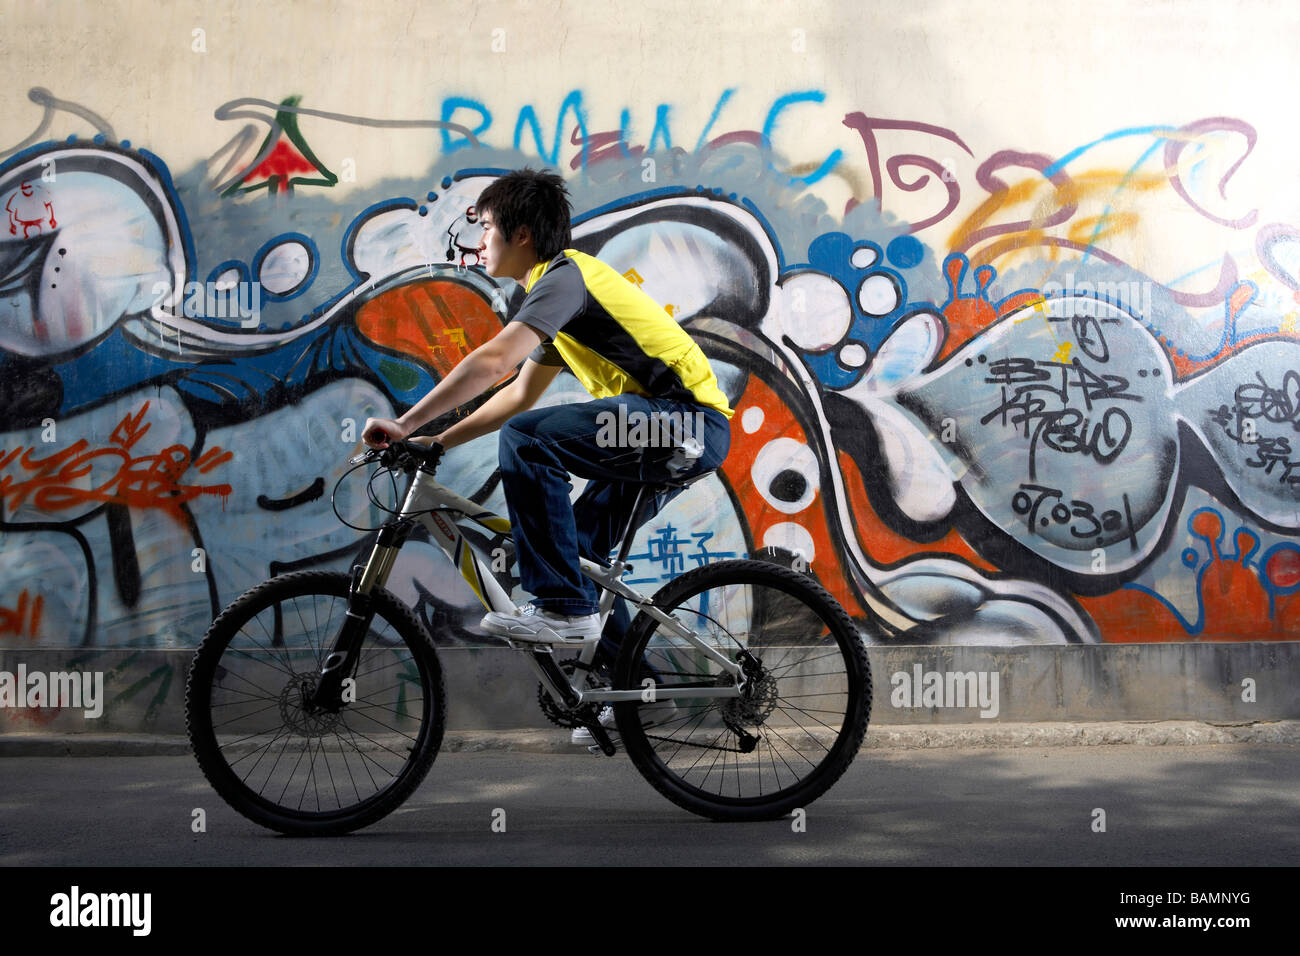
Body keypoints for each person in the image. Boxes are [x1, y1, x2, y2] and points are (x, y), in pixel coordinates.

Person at [362, 168, 732, 665]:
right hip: (665, 430)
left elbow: (496, 361)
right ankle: (625, 686)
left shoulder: (565, 277)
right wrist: (438, 441)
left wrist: (406, 424)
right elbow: (516, 396)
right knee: (575, 553)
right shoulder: (561, 298)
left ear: (522, 235)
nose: (479, 240)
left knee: (529, 442)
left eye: (486, 226)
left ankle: (562, 608)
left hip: (684, 422)